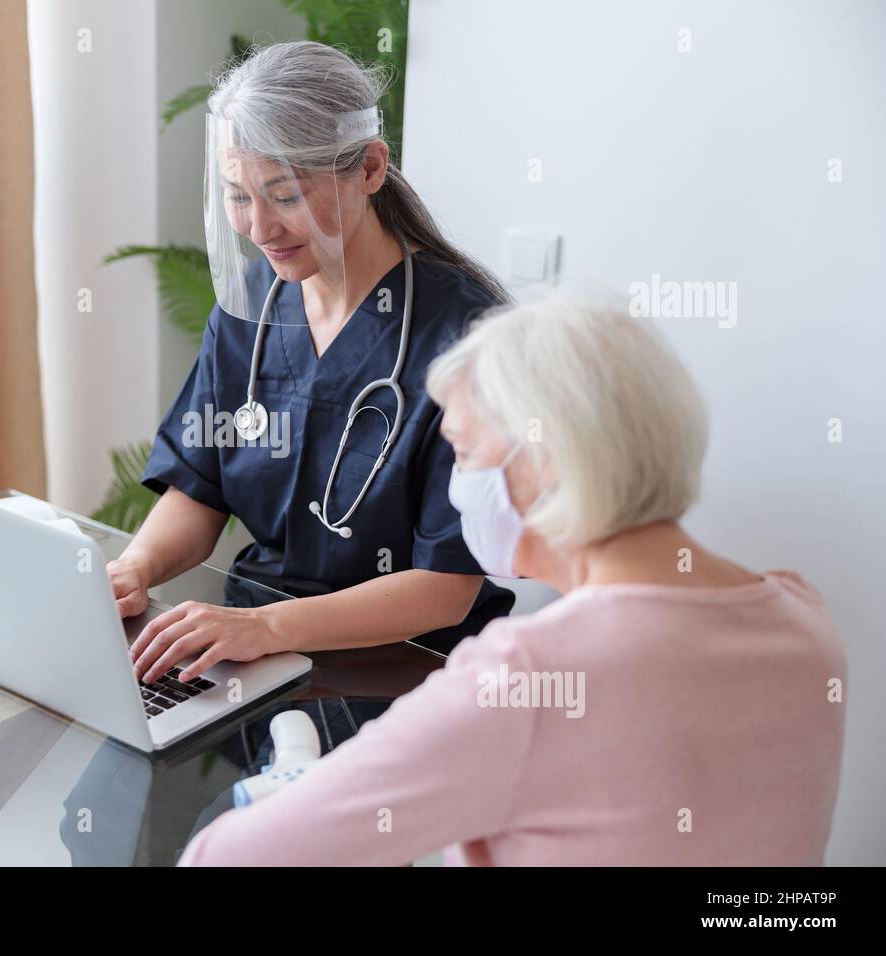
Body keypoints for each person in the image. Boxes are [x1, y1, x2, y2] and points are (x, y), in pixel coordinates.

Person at [177, 289, 847, 866]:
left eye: (463, 453)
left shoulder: (524, 675)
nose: (458, 486)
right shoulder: (802, 619)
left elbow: (229, 855)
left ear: (545, 461)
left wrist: (294, 797)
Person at [114, 40, 514, 694]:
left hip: (408, 666)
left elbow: (447, 587)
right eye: (238, 197)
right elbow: (200, 486)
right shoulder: (252, 307)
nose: (260, 227)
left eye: (287, 196)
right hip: (256, 647)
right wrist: (137, 566)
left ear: (371, 168)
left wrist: (271, 628)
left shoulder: (467, 336)